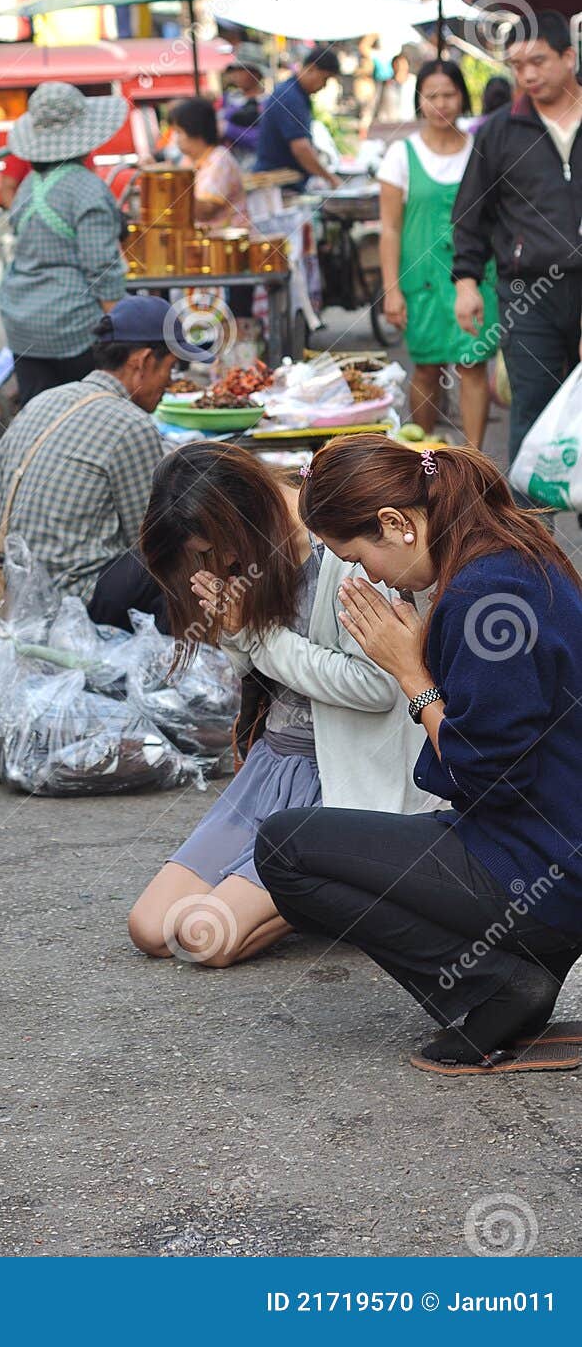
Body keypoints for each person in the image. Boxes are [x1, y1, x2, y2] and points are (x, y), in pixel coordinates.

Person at [257, 435, 582, 1074]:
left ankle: (498, 985)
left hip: (542, 861)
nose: (370, 577)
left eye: (360, 557)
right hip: (554, 842)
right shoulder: (512, 550)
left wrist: (412, 675)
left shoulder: (481, 595)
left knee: (285, 848)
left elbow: (484, 778)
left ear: (396, 523)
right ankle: (523, 963)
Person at [127, 443, 434, 969]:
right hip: (277, 765)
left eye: (213, 548)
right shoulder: (246, 550)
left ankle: (343, 883)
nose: (218, 562)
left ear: (238, 514)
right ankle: (318, 889)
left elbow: (378, 687)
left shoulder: (343, 549)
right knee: (151, 929)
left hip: (344, 776)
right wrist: (236, 633)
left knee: (201, 937)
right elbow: (264, 669)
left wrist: (257, 636)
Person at [0, 297, 208, 630]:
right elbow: (150, 536)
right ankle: (167, 672)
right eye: (171, 368)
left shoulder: (45, 400)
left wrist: (42, 528)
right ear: (145, 361)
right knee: (174, 558)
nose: (170, 383)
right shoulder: (131, 424)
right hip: (74, 607)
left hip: (16, 590)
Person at [452, 10, 582, 468]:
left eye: (539, 61)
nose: (527, 74)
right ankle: (530, 534)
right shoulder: (499, 131)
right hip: (529, 295)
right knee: (532, 410)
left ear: (569, 57)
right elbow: (470, 212)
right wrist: (466, 283)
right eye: (517, 64)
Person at [378, 60, 497, 447]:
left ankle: (474, 463)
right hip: (422, 278)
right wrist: (391, 289)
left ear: (462, 96)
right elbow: (390, 228)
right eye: (432, 96)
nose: (441, 103)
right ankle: (423, 456)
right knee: (427, 367)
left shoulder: (482, 150)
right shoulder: (401, 153)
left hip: (475, 276)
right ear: (419, 100)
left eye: (449, 94)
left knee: (473, 364)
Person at [0, 82, 129, 407]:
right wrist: (122, 335)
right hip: (74, 326)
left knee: (38, 418)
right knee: (88, 414)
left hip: (23, 322)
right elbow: (103, 269)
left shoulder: (30, 184)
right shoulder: (87, 188)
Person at [254, 47, 343, 192]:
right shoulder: (290, 97)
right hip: (275, 184)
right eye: (324, 79)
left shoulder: (297, 95)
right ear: (311, 69)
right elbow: (301, 148)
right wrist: (331, 179)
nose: (324, 86)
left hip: (287, 182)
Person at [167, 98, 251, 231]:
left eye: (179, 132)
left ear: (195, 131)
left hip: (228, 243)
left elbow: (205, 212)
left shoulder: (219, 159)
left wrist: (170, 184)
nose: (175, 138)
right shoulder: (189, 159)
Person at [218, 63, 265, 158]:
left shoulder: (267, 102)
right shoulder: (229, 99)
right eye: (235, 71)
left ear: (256, 74)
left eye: (241, 71)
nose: (236, 75)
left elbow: (259, 139)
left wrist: (228, 129)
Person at [375, 52, 417, 125]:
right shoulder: (385, 84)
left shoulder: (414, 81)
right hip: (388, 123)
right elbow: (377, 103)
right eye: (397, 64)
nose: (400, 67)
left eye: (403, 64)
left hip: (409, 122)